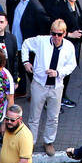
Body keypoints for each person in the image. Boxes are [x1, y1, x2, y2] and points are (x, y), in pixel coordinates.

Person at [22, 20, 76, 152]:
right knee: (34, 116)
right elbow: (26, 44)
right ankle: (31, 141)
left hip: (56, 87)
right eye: (54, 34)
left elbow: (71, 65)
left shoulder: (69, 46)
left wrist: (58, 73)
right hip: (39, 84)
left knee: (53, 116)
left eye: (59, 34)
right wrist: (26, 61)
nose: (56, 37)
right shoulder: (41, 41)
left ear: (64, 34)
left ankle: (49, 141)